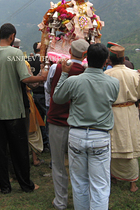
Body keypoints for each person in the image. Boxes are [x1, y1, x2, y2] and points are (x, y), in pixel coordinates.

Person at [0, 23, 47, 194]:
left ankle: (4, 186)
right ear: (12, 36)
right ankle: (25, 184)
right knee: (19, 150)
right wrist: (42, 77)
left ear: (0, 35)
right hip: (14, 110)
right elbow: (24, 78)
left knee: (0, 151)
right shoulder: (15, 54)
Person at [53, 43, 119, 210]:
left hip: (77, 135)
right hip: (100, 136)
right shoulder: (113, 83)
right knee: (100, 185)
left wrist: (64, 75)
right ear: (106, 61)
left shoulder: (74, 81)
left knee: (79, 182)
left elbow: (58, 98)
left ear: (86, 58)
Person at [46, 39, 89, 210]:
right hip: (77, 124)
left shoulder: (56, 68)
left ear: (70, 50)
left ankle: (60, 201)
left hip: (57, 120)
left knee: (57, 163)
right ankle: (81, 201)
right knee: (79, 164)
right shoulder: (87, 73)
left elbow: (49, 89)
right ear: (86, 55)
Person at [105, 44, 140, 192]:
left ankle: (114, 176)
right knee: (131, 143)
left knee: (114, 144)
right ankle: (132, 183)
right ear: (123, 58)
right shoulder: (134, 74)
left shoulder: (107, 75)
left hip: (114, 112)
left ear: (110, 60)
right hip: (130, 111)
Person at [28, 41, 49, 152]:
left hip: (34, 92)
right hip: (44, 92)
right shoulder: (45, 61)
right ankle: (47, 141)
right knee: (47, 117)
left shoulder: (29, 61)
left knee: (39, 118)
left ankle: (43, 141)